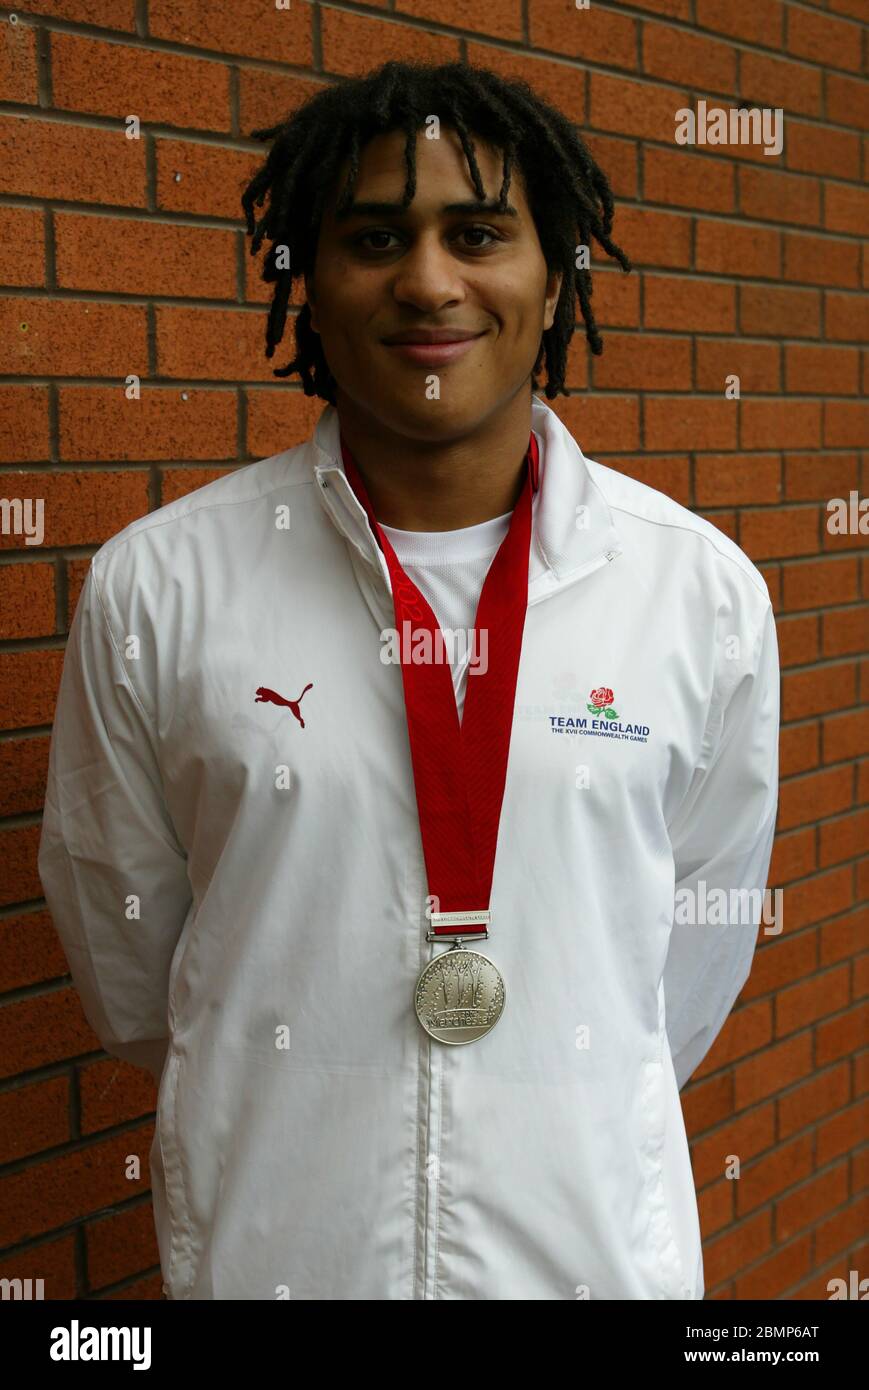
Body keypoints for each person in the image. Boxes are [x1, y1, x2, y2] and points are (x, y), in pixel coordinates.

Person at [37, 60, 780, 1301]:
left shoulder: (697, 596)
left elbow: (680, 964)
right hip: (280, 1262)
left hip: (587, 1267)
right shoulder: (157, 589)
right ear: (309, 288)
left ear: (554, 279)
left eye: (477, 233)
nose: (427, 279)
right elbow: (140, 970)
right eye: (375, 237)